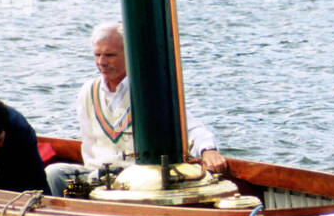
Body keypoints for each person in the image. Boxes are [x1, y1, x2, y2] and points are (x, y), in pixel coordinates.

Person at [45, 23, 227, 197]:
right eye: (97, 55)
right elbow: (89, 146)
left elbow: (189, 127)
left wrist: (208, 150)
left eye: (110, 55)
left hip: (139, 179)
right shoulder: (87, 91)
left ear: (130, 53)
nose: (102, 62)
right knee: (54, 173)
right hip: (97, 176)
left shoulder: (150, 91)